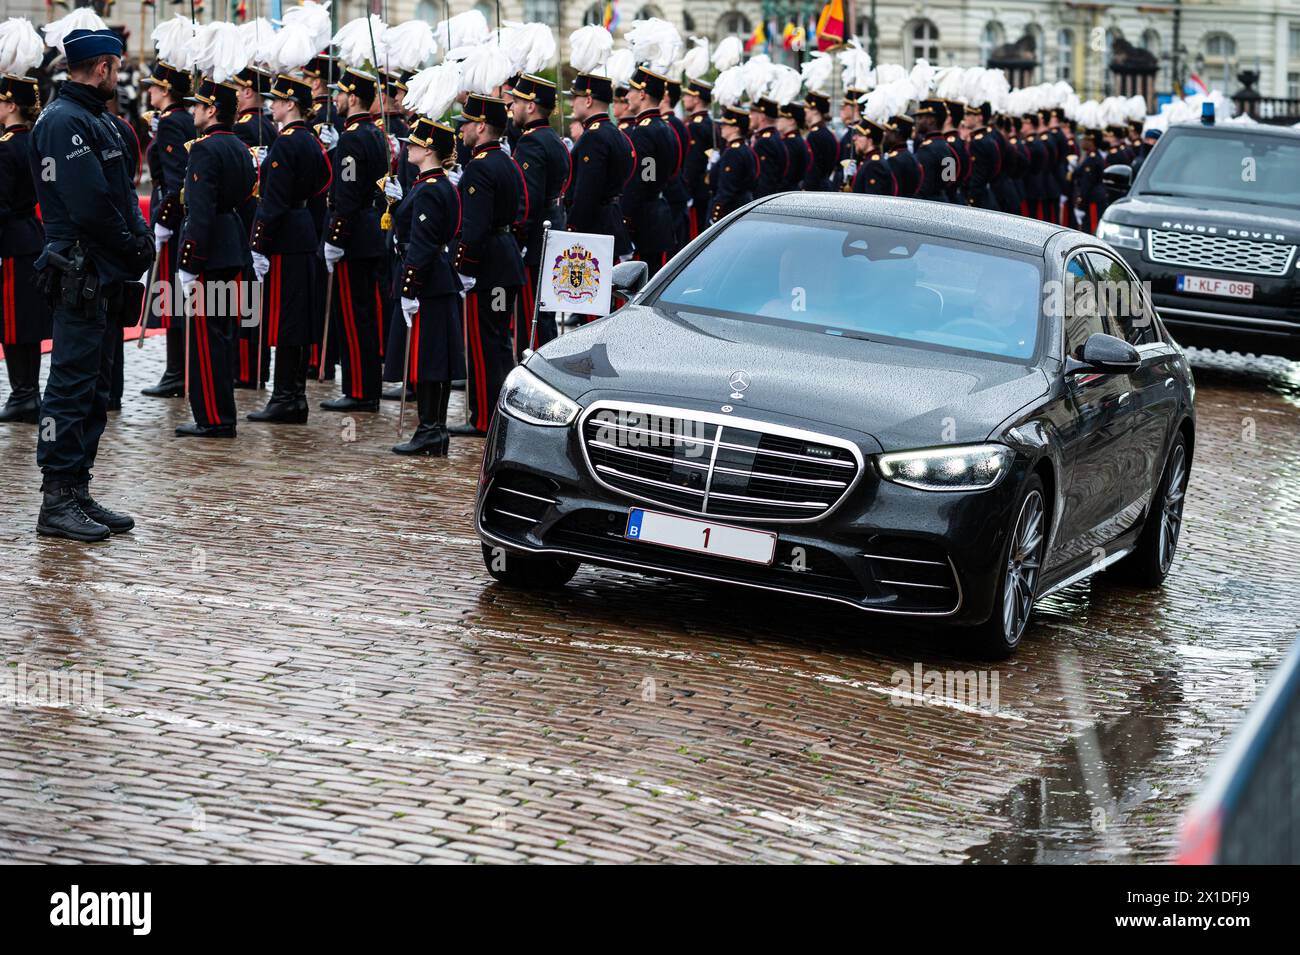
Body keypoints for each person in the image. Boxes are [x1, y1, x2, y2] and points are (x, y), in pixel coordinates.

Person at [29, 28, 153, 540]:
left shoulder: (96, 119)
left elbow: (122, 193)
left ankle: (78, 488)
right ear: (103, 67)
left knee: (96, 386)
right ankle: (56, 497)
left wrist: (136, 241)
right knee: (70, 385)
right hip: (81, 269)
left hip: (104, 271)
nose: (118, 75)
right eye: (116, 67)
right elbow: (90, 206)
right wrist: (133, 244)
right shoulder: (64, 122)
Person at [174, 78, 257, 438]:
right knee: (222, 335)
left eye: (198, 105)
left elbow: (201, 211)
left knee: (207, 340)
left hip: (210, 250)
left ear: (211, 110)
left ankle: (213, 417)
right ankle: (222, 413)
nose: (193, 110)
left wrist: (190, 261)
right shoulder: (238, 146)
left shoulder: (206, 150)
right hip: (231, 243)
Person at [248, 74, 333, 425]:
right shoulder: (310, 140)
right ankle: (293, 394)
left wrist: (259, 242)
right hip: (302, 229)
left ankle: (285, 396)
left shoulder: (287, 143)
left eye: (278, 100)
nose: (272, 105)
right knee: (297, 316)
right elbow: (322, 182)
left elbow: (274, 200)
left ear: (291, 105)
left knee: (287, 320)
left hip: (284, 236)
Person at [452, 93, 525, 436]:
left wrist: (465, 266)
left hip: (488, 266)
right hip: (505, 259)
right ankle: (502, 413)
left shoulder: (480, 166)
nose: (461, 130)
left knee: (483, 342)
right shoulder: (506, 161)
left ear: (481, 126)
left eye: (465, 123)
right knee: (499, 340)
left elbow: (475, 227)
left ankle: (483, 418)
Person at [392, 116, 462, 455]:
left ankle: (431, 429)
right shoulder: (432, 184)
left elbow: (421, 243)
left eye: (415, 144)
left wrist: (409, 287)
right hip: (435, 278)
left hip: (427, 282)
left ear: (429, 149)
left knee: (430, 359)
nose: (409, 147)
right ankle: (432, 429)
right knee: (433, 357)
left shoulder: (431, 189)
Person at [321, 68, 388, 412]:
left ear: (353, 97)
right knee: (364, 314)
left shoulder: (351, 138)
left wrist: (336, 235)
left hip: (354, 235)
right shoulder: (375, 133)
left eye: (341, 94)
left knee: (353, 315)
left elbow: (347, 191)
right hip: (371, 230)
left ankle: (359, 390)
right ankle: (366, 387)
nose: (336, 99)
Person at [139, 61, 194, 398]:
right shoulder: (177, 121)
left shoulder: (174, 123)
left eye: (154, 87)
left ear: (166, 91)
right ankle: (177, 369)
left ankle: (176, 372)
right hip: (178, 217)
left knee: (173, 298)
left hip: (173, 222)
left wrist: (164, 219)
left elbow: (175, 181)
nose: (149, 91)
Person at [506, 74, 570, 356]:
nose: (512, 107)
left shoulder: (532, 143)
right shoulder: (553, 139)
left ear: (531, 106)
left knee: (532, 316)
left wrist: (517, 237)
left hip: (535, 240)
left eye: (518, 101)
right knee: (544, 314)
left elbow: (526, 199)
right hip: (552, 229)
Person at [0, 75, 50, 425]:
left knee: (13, 321)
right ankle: (29, 392)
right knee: (26, 321)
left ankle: (23, 395)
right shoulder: (34, 141)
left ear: (12, 105)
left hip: (11, 240)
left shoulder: (5, 146)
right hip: (32, 234)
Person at [230, 66, 278, 390]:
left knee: (246, 296)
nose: (234, 95)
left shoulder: (246, 128)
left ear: (248, 91)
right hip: (259, 219)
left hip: (247, 219)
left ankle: (247, 369)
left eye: (236, 89)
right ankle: (256, 367)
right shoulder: (269, 125)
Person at [566, 73, 634, 261]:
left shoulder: (593, 137)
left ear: (588, 100)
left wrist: (572, 227)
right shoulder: (614, 132)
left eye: (575, 97)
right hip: (610, 222)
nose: (572, 104)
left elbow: (587, 191)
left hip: (594, 230)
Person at [620, 68, 679, 276]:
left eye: (631, 90)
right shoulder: (664, 127)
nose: (627, 96)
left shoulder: (644, 131)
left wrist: (626, 217)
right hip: (657, 214)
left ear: (643, 94)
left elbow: (643, 179)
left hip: (644, 220)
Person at [708, 106, 757, 224]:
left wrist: (716, 216)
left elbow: (726, 189)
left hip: (729, 211)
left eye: (725, 124)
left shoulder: (733, 152)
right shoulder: (741, 149)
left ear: (735, 128)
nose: (721, 127)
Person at [679, 77, 714, 241]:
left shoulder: (695, 126)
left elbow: (693, 163)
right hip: (705, 188)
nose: (684, 98)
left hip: (696, 190)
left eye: (687, 95)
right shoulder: (708, 122)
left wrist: (687, 190)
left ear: (696, 98)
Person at [749, 96, 787, 198]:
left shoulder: (764, 142)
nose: (750, 116)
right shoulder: (774, 137)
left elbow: (764, 181)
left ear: (762, 116)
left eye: (752, 113)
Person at [851, 117, 896, 195]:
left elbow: (872, 201)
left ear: (870, 140)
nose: (854, 138)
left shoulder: (874, 165)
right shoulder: (869, 161)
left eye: (860, 135)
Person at [802, 92, 837, 191]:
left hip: (815, 189)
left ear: (815, 110)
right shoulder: (827, 133)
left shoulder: (815, 135)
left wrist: (806, 189)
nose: (804, 111)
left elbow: (813, 167)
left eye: (806, 107)